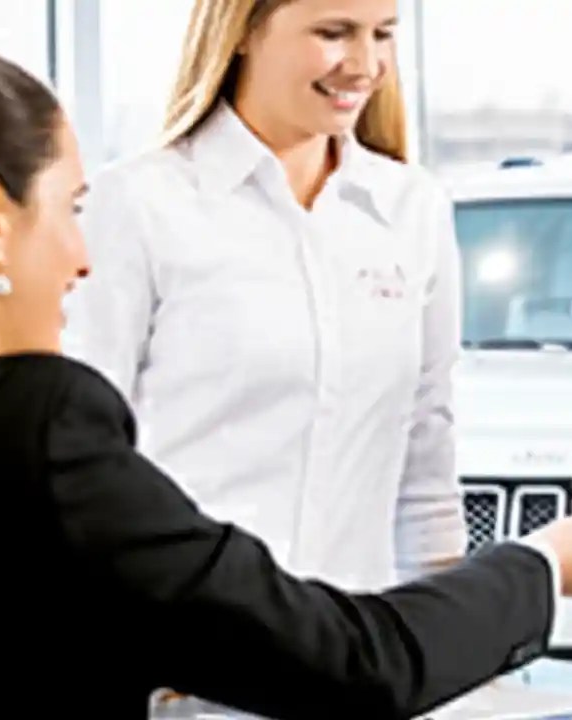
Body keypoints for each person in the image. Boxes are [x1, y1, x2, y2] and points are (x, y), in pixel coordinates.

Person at [0, 42, 572, 719]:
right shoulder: (34, 424)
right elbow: (354, 663)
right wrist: (546, 564)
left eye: (384, 31)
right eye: (70, 211)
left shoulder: (411, 208)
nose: (82, 256)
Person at [63, 0, 467, 593]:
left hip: (355, 646)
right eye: (334, 33)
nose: (365, 65)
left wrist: (445, 635)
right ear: (243, 30)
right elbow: (83, 457)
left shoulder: (413, 208)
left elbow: (426, 453)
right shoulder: (137, 205)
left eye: (382, 34)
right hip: (181, 641)